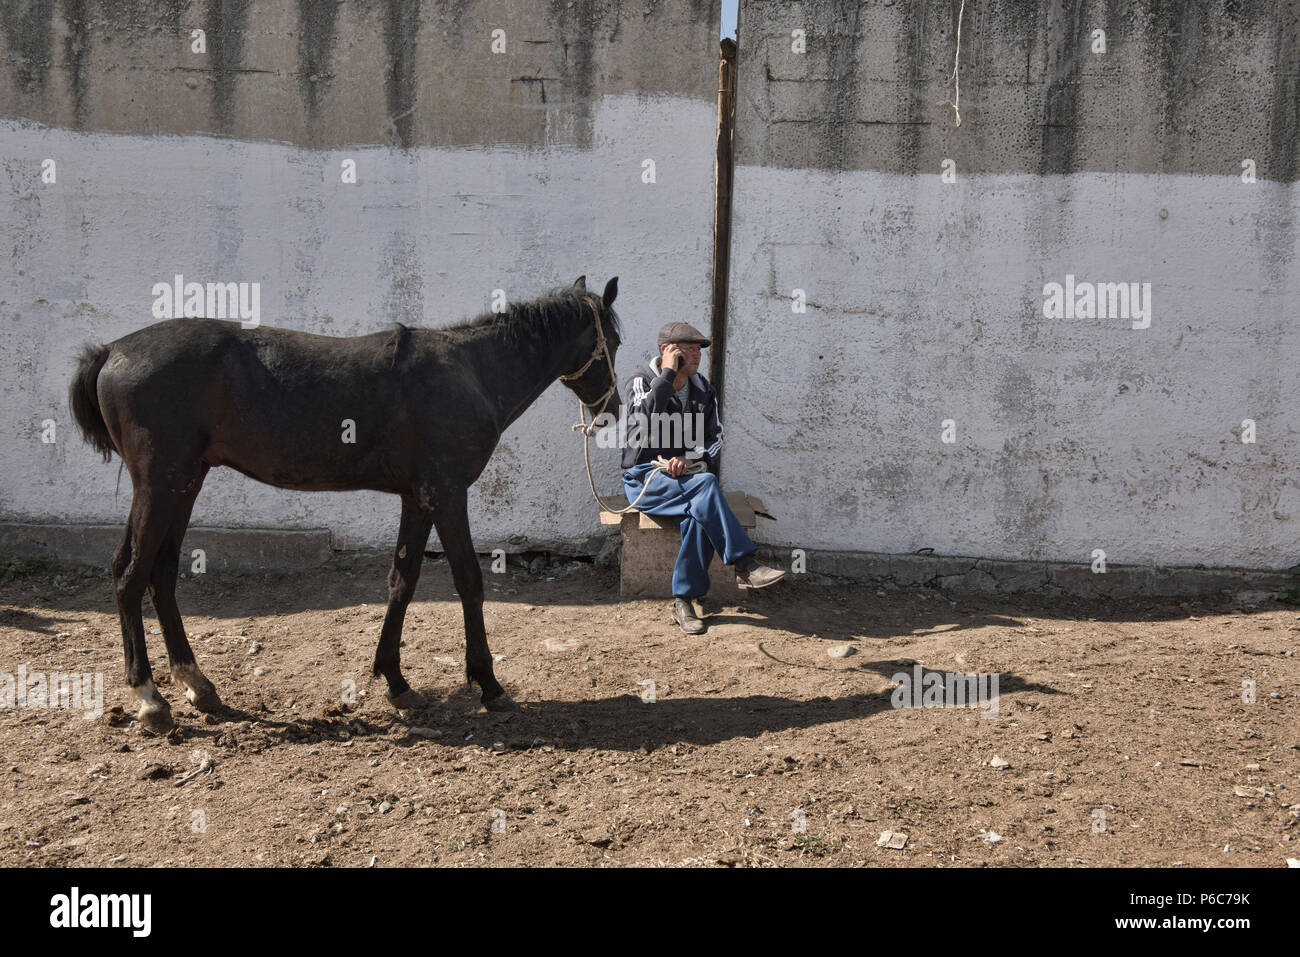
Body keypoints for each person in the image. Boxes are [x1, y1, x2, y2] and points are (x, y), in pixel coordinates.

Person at [620, 321, 786, 634]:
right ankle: (745, 563)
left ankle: (683, 600)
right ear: (667, 351)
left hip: (687, 481)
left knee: (700, 516)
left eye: (699, 350)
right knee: (708, 485)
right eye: (688, 349)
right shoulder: (643, 381)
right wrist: (667, 376)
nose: (696, 355)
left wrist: (690, 458)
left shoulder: (702, 389)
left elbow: (716, 436)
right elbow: (639, 427)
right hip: (645, 479)